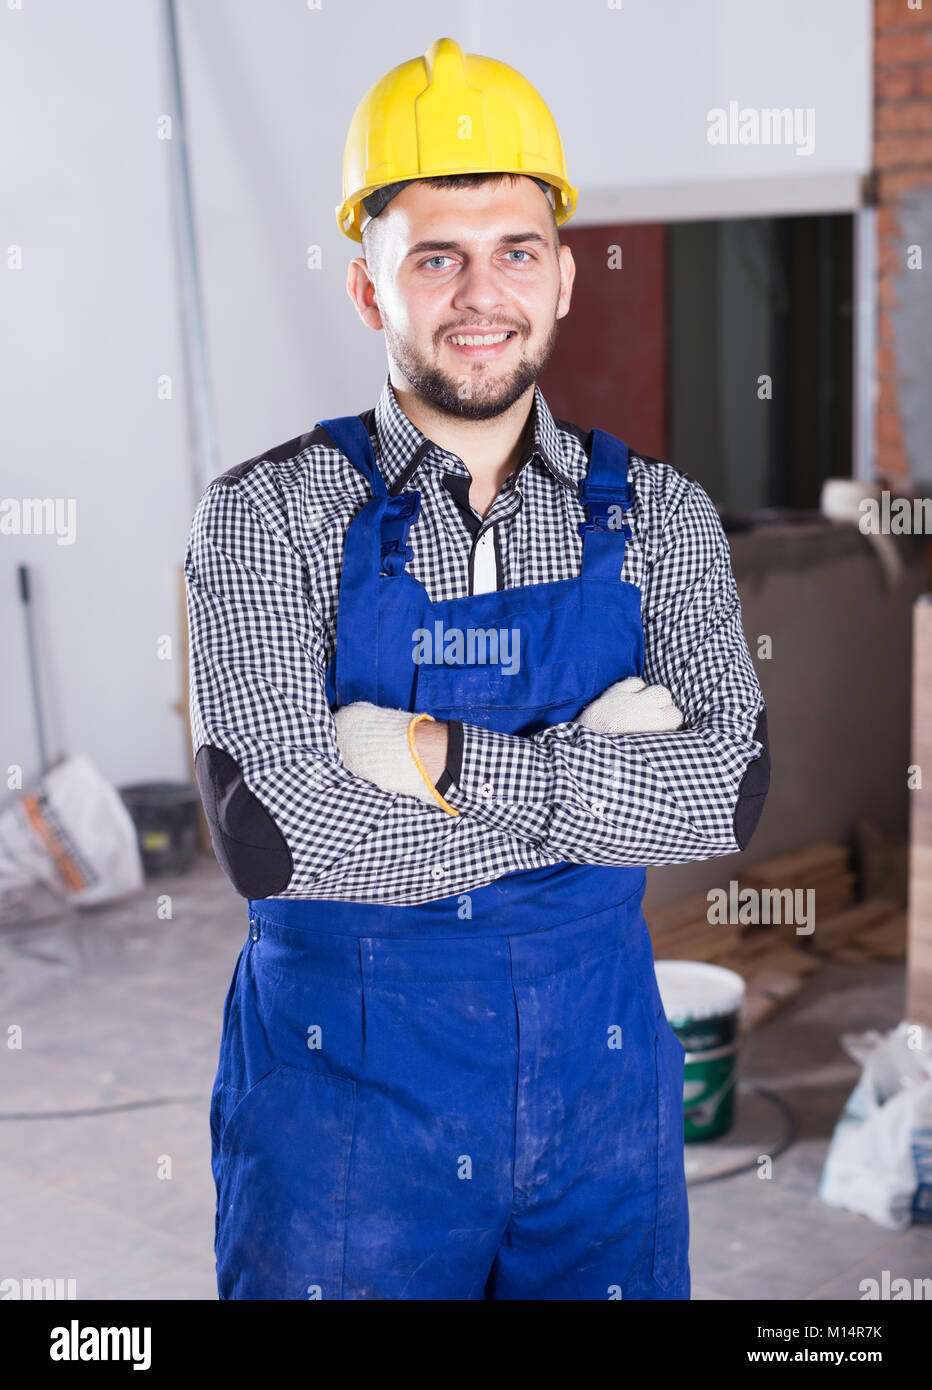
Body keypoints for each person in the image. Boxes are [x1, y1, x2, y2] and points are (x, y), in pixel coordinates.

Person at [185, 36, 771, 1301]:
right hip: (345, 1098)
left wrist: (432, 757)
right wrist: (602, 778)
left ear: (561, 277)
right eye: (433, 257)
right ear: (368, 290)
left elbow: (724, 794)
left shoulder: (661, 514)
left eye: (513, 251)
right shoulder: (261, 519)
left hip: (600, 1090)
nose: (478, 293)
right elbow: (277, 839)